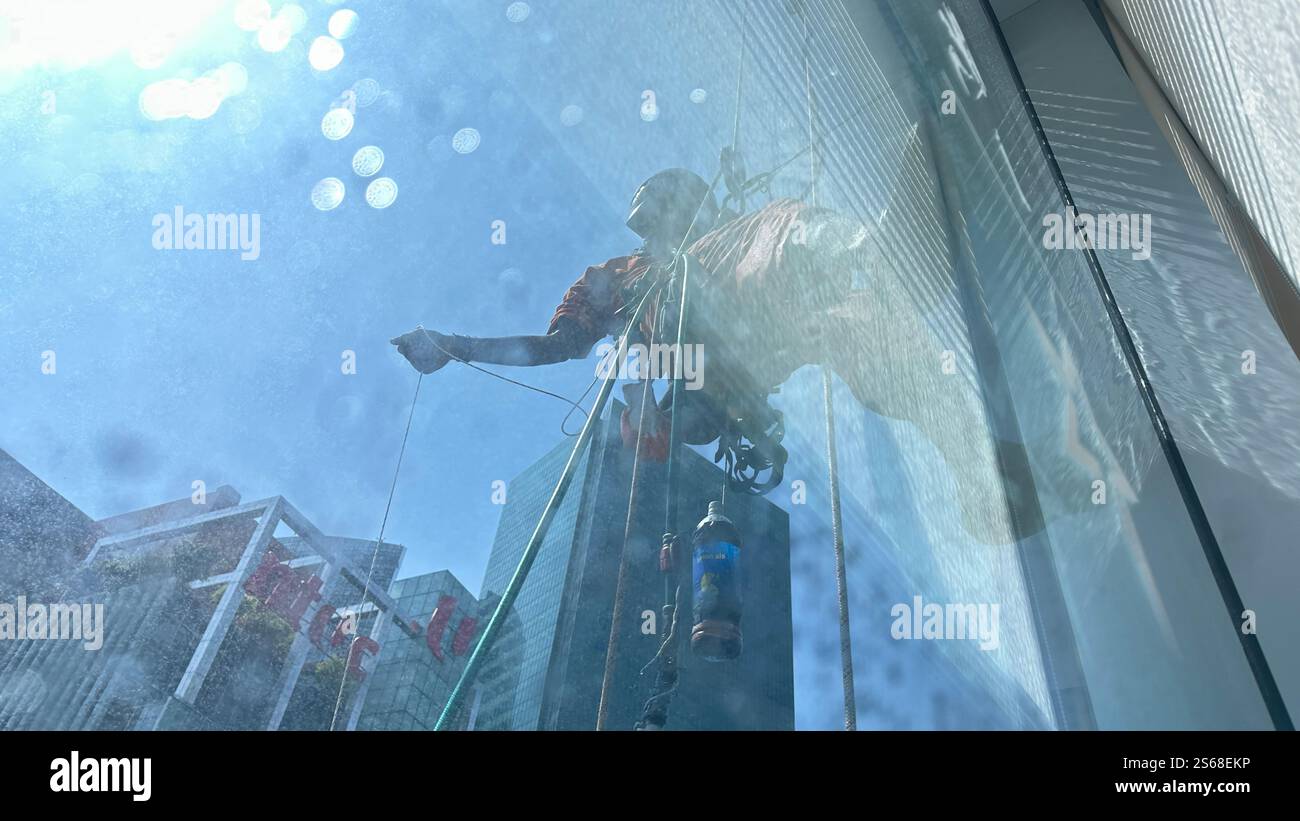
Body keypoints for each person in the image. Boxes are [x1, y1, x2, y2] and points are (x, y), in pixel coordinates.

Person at [392, 168, 1047, 544]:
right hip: (705, 357)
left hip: (749, 350)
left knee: (852, 334)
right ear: (651, 223)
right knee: (766, 241)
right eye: (671, 216)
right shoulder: (619, 273)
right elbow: (558, 346)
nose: (683, 225)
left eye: (689, 212)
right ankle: (873, 253)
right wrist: (459, 346)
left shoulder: (723, 239)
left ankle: (981, 476)